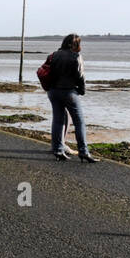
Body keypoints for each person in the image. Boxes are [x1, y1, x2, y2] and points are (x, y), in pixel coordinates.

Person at [44, 33, 95, 162]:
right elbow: (80, 76)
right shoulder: (76, 56)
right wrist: (82, 90)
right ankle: (83, 152)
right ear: (76, 44)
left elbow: (49, 72)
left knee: (58, 120)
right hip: (69, 92)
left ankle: (58, 150)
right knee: (79, 122)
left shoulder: (54, 55)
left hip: (53, 91)